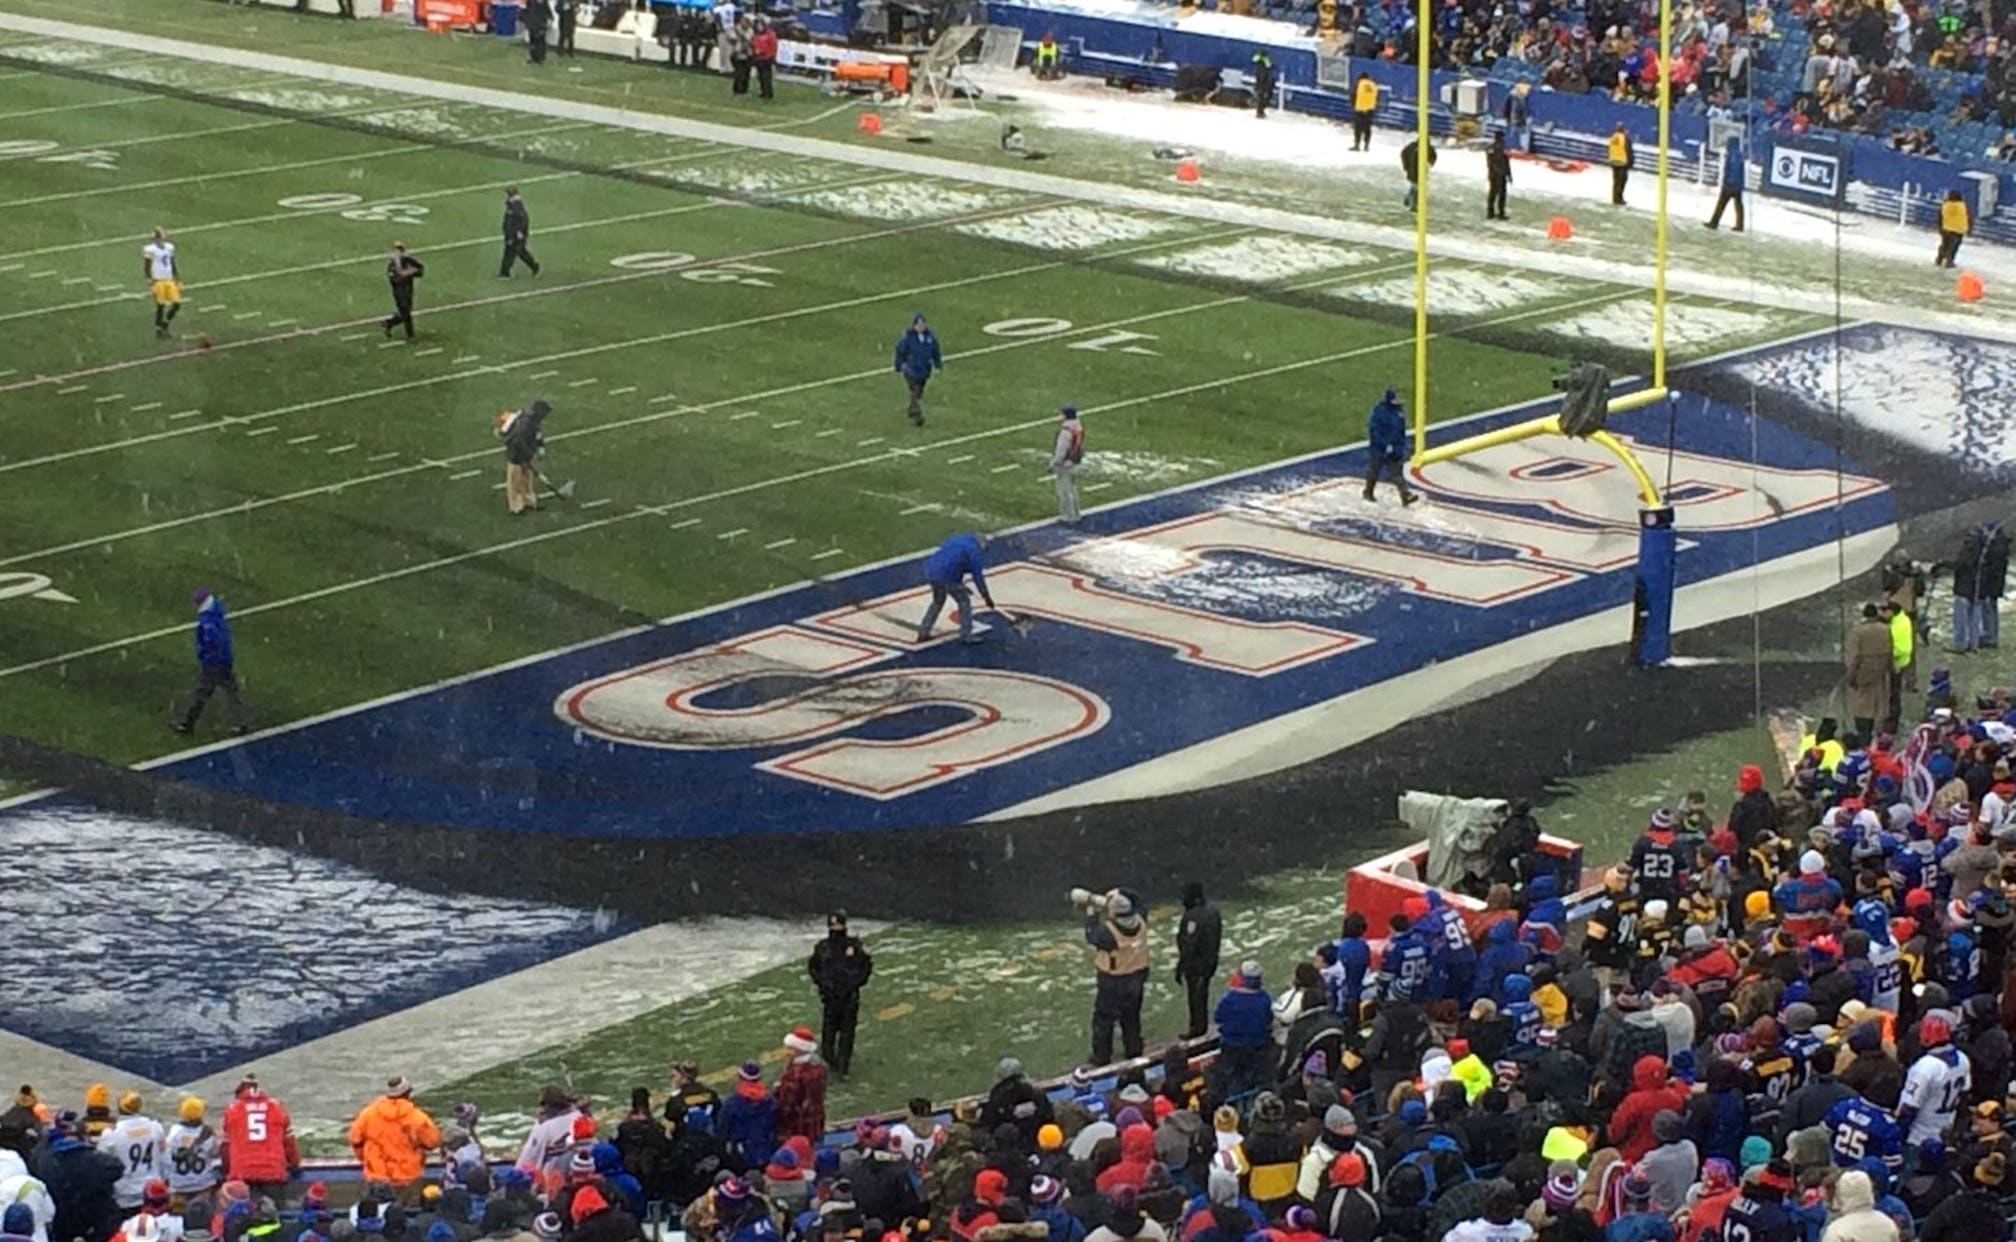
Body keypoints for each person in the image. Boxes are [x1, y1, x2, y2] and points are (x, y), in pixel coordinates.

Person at [1076, 886, 1150, 1064]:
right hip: (1137, 978)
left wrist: (1091, 912)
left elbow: (1091, 935)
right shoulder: (1141, 919)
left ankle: (1101, 1057)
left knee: (1104, 1021)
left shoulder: (1109, 933)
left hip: (1113, 982)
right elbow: (1138, 900)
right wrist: (1121, 891)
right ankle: (1134, 1051)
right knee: (1131, 1018)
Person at [348, 1078, 440, 1202]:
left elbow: (355, 1140)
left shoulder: (368, 1114)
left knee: (375, 1208)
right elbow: (432, 1142)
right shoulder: (418, 1118)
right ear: (408, 1094)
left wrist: (366, 1160)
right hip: (407, 1175)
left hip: (376, 1173)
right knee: (400, 1211)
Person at [172, 589, 248, 736]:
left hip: (213, 662)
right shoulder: (217, 612)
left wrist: (204, 654)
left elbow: (211, 640)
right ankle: (242, 722)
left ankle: (188, 724)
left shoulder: (208, 619)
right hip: (225, 659)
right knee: (231, 692)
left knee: (202, 693)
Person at [807, 911, 872, 1078]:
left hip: (849, 997)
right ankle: (830, 1061)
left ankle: (843, 1066)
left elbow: (866, 967)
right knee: (828, 1033)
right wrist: (822, 983)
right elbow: (813, 967)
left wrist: (854, 983)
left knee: (846, 1033)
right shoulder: (823, 947)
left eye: (839, 925)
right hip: (830, 997)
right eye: (833, 925)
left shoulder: (854, 946)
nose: (836, 928)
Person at [220, 1075, 298, 1199]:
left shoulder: (232, 1110)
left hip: (242, 1172)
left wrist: (227, 1169)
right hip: (273, 1171)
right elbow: (289, 1142)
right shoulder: (277, 1108)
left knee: (244, 1214)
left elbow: (225, 1147)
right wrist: (295, 1165)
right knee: (271, 1213)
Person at [915, 532, 998, 646]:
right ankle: (966, 635)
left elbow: (951, 559)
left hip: (932, 571)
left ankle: (923, 632)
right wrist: (986, 596)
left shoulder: (957, 539)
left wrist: (959, 583)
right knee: (964, 602)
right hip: (947, 577)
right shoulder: (974, 550)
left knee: (937, 602)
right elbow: (977, 576)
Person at [97, 1093, 165, 1214]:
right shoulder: (155, 1127)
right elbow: (163, 1155)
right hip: (152, 1190)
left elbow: (101, 1163)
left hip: (125, 1194)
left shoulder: (112, 1133)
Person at [1175, 882, 1222, 1040]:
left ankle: (1197, 1029)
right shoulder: (1213, 911)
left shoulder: (1193, 917)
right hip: (1210, 961)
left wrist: (1180, 967)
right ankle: (1200, 1026)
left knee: (1195, 998)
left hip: (1196, 965)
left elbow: (1189, 944)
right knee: (1202, 995)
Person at [1846, 604, 1894, 737]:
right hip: (1881, 673)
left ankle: (1864, 739)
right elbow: (1890, 652)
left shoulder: (1858, 632)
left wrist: (1850, 677)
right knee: (1879, 707)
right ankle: (1879, 735)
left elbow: (1854, 657)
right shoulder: (1886, 630)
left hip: (1863, 674)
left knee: (1863, 709)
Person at [499, 400, 553, 516]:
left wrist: (540, 449)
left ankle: (528, 501)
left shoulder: (535, 421)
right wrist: (527, 455)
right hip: (516, 454)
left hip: (526, 452)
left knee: (527, 477)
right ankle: (516, 507)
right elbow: (518, 441)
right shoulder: (525, 423)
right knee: (515, 480)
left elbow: (538, 435)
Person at [164, 1097, 221, 1204]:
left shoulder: (175, 1132)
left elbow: (167, 1154)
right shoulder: (208, 1133)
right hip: (203, 1183)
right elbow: (215, 1153)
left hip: (179, 1185)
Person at [774, 1027, 827, 1142]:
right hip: (813, 1117)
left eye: (790, 1048)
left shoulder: (801, 1072)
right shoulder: (815, 1065)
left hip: (800, 1121)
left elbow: (789, 1100)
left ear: (800, 1049)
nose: (787, 1052)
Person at [1364, 387, 1416, 505]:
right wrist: (1384, 444)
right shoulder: (1380, 412)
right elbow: (1375, 430)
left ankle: (1405, 495)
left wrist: (1401, 446)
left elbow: (1400, 431)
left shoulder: (1398, 412)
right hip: (1380, 449)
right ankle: (1368, 491)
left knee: (1397, 473)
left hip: (1395, 449)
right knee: (1375, 470)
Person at [893, 313, 943, 427]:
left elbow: (935, 351)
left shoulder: (930, 337)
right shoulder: (908, 338)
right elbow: (900, 351)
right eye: (918, 324)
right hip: (911, 369)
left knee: (918, 392)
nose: (921, 327)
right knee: (915, 390)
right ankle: (916, 414)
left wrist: (938, 364)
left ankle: (912, 410)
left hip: (924, 370)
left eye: (922, 324)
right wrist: (899, 365)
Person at [1048, 406, 1085, 525]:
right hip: (1075, 462)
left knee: (1065, 491)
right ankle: (1076, 513)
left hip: (1065, 464)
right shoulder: (1077, 427)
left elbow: (1061, 450)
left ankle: (1069, 516)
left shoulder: (1066, 431)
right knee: (1073, 490)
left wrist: (1053, 464)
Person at [143, 227, 182, 340]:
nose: (161, 238)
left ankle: (165, 323)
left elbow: (172, 262)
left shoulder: (169, 247)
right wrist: (149, 279)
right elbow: (147, 265)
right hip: (158, 280)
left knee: (176, 304)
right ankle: (159, 330)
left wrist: (176, 276)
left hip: (169, 279)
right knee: (161, 305)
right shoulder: (150, 249)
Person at [382, 242, 424, 340]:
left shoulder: (409, 260)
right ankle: (410, 334)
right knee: (405, 311)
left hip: (408, 289)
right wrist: (403, 275)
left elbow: (420, 270)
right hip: (399, 291)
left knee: (405, 312)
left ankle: (389, 323)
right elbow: (393, 279)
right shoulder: (392, 265)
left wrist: (410, 272)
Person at [1706, 134, 1746, 231]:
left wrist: (1728, 182)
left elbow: (1733, 170)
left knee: (1721, 204)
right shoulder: (1740, 155)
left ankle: (1714, 222)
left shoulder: (1732, 154)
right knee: (1738, 206)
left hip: (1730, 185)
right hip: (1738, 185)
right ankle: (1740, 225)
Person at [499, 188, 539, 278]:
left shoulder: (516, 206)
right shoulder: (513, 204)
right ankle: (504, 272)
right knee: (513, 252)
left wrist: (518, 232)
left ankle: (533, 266)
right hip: (513, 233)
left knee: (516, 252)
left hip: (516, 234)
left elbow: (521, 220)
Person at [1401, 136, 1436, 210]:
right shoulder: (1413, 147)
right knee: (1416, 187)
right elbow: (1403, 154)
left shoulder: (1428, 148)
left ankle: (1408, 199)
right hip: (1413, 170)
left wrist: (1431, 162)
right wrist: (1406, 165)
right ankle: (1413, 204)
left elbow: (1433, 156)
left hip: (1421, 171)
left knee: (1415, 187)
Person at [1936, 190, 1969, 268]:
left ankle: (1939, 260)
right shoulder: (1962, 206)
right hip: (1957, 230)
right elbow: (1967, 217)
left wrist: (1940, 227)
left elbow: (1940, 216)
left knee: (1944, 245)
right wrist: (1968, 228)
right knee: (1953, 247)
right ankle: (1949, 262)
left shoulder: (1945, 205)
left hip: (1946, 228)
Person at [1485, 133, 1511, 220]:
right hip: (1496, 174)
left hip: (1498, 174)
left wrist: (1508, 174)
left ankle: (1496, 212)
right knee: (1496, 194)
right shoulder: (1493, 148)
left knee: (1498, 194)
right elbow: (1491, 163)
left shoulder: (1497, 148)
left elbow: (1506, 162)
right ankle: (1494, 212)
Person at [1607, 124, 1634, 206]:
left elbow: (1609, 149)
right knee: (1622, 181)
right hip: (1622, 162)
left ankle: (1615, 198)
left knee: (1615, 181)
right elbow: (1628, 151)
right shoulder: (1625, 138)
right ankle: (1619, 199)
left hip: (1613, 161)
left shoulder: (1613, 137)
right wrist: (1631, 163)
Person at [750, 19, 777, 98]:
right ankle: (763, 91)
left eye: (760, 26)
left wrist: (772, 57)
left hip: (767, 58)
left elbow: (773, 46)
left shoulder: (770, 34)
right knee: (760, 76)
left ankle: (768, 92)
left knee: (767, 77)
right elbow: (754, 43)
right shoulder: (756, 35)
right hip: (759, 58)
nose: (759, 27)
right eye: (758, 26)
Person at [727, 16, 754, 95]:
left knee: (746, 74)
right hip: (737, 53)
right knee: (739, 73)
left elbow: (749, 40)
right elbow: (730, 38)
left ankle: (744, 90)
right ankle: (737, 90)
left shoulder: (751, 31)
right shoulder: (735, 29)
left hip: (748, 54)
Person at [1351, 74, 1378, 150]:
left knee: (1358, 128)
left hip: (1360, 109)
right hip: (1370, 109)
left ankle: (1357, 145)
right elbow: (1377, 97)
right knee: (1367, 128)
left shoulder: (1359, 83)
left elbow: (1353, 95)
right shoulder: (1373, 85)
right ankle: (1366, 146)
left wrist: (1353, 105)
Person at [1502, 83, 1531, 152]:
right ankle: (1509, 146)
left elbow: (1524, 110)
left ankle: (1521, 148)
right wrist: (1506, 116)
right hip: (1514, 119)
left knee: (1522, 133)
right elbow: (1507, 106)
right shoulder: (1513, 96)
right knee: (1513, 132)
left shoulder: (1524, 98)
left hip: (1521, 120)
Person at [1250, 49, 1275, 119]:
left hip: (1265, 81)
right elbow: (1254, 60)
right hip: (1260, 81)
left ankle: (1261, 111)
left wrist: (1264, 58)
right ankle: (1259, 112)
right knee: (1261, 97)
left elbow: (1269, 65)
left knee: (1265, 97)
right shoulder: (1258, 59)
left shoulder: (1266, 60)